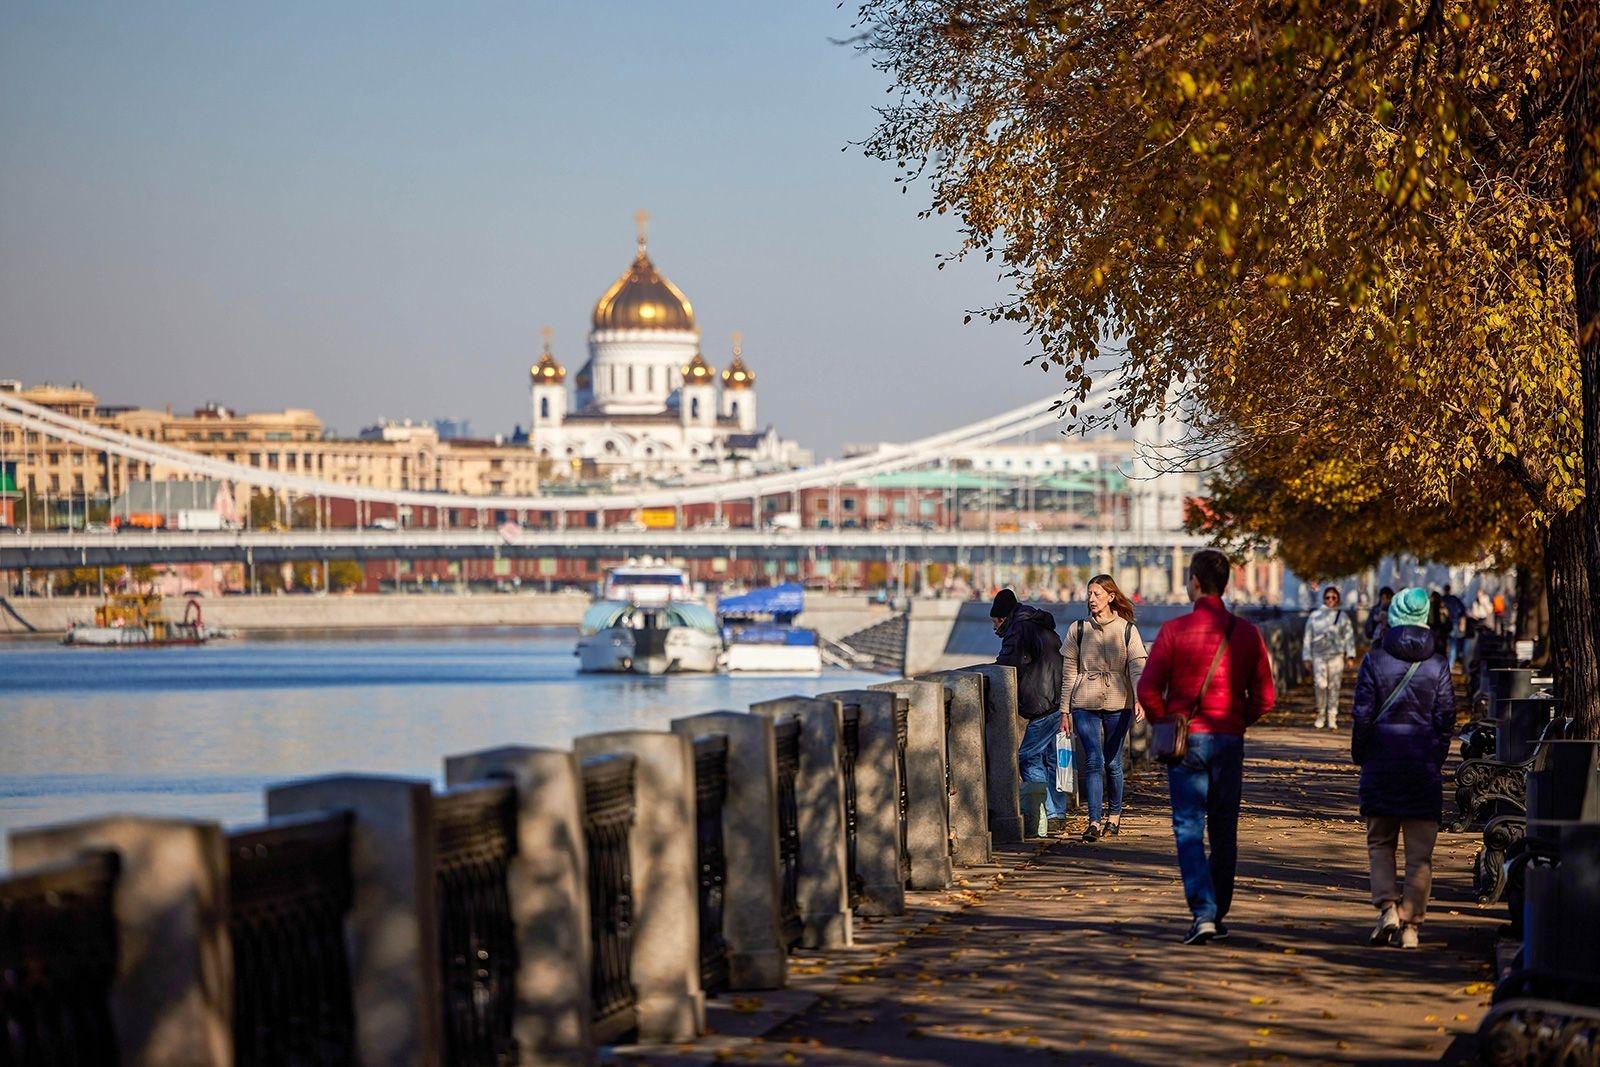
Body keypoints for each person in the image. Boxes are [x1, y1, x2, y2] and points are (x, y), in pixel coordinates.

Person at [1138, 548, 1276, 945]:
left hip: (1187, 741)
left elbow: (1147, 687)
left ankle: (1203, 912)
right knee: (1224, 826)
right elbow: (1265, 698)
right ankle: (1217, 909)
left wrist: (1168, 720)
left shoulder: (1173, 631)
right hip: (1229, 739)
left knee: (1187, 825)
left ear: (1195, 583)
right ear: (1227, 584)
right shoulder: (1247, 633)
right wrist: (1236, 721)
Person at [1351, 586, 1455, 949]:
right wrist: (1434, 757)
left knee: (1380, 841)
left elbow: (1362, 715)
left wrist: (1361, 753)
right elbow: (1445, 720)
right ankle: (1412, 925)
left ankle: (1387, 907)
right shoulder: (1438, 664)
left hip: (1382, 762)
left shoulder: (1374, 661)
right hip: (1421, 767)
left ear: (1393, 617)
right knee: (1420, 854)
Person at [1060, 573, 1148, 841]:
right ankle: (1094, 822)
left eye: (1097, 594)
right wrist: (1064, 710)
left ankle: (1115, 816)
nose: (1091, 599)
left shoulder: (1127, 630)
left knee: (1112, 762)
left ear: (1111, 597)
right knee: (1094, 760)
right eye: (1089, 594)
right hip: (1083, 702)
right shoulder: (1078, 629)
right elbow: (1068, 674)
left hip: (1118, 702)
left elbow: (1136, 667)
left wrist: (1139, 697)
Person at [991, 589, 1066, 829]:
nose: (995, 627)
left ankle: (1051, 815)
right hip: (1058, 699)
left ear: (1002, 617)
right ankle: (1059, 812)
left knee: (1027, 758)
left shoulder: (1017, 630)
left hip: (1040, 703)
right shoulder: (1041, 624)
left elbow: (1005, 666)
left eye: (995, 622)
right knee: (1052, 759)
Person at [1302, 585, 1356, 730]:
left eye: (1333, 597)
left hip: (1336, 655)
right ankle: (1321, 713)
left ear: (1338, 599)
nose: (1330, 600)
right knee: (1320, 684)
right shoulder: (1315, 616)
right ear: (1324, 598)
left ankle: (1332, 716)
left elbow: (1349, 637)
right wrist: (1306, 657)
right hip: (1318, 654)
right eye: (1328, 597)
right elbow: (1308, 636)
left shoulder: (1343, 616)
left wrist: (1350, 655)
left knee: (1334, 686)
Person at [1440, 584, 1468, 673]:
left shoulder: (1442, 599)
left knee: (1446, 645)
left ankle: (1446, 665)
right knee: (1453, 645)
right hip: (1454, 623)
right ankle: (1450, 665)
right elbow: (1463, 611)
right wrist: (1462, 623)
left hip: (1444, 626)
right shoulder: (1454, 599)